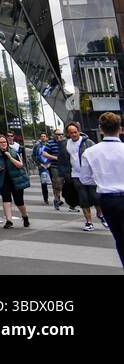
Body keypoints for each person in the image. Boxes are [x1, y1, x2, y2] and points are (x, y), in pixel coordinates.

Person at [80, 112, 124, 266]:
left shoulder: (90, 152)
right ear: (120, 128)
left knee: (120, 238)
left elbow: (84, 179)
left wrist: (101, 178)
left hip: (108, 199)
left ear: (100, 128)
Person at [61, 123, 102, 230]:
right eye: (71, 133)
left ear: (79, 131)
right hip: (76, 175)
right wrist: (66, 175)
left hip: (90, 175)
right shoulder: (66, 144)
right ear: (68, 133)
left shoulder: (88, 142)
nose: (73, 134)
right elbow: (64, 160)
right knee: (83, 199)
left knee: (96, 197)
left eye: (75, 132)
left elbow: (97, 157)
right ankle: (89, 222)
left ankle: (100, 214)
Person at [0, 133, 30, 228]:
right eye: (1, 142)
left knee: (19, 201)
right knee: (6, 199)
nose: (4, 144)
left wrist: (10, 157)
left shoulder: (14, 152)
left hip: (16, 180)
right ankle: (9, 221)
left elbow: (20, 165)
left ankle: (25, 216)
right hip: (4, 180)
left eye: (5, 142)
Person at [34, 132, 53, 205]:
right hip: (42, 166)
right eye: (41, 136)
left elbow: (53, 154)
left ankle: (57, 199)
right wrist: (39, 164)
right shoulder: (37, 146)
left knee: (54, 182)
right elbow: (34, 156)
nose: (43, 137)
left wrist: (50, 163)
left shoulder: (49, 145)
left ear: (47, 137)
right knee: (44, 183)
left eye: (44, 136)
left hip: (50, 166)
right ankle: (46, 199)